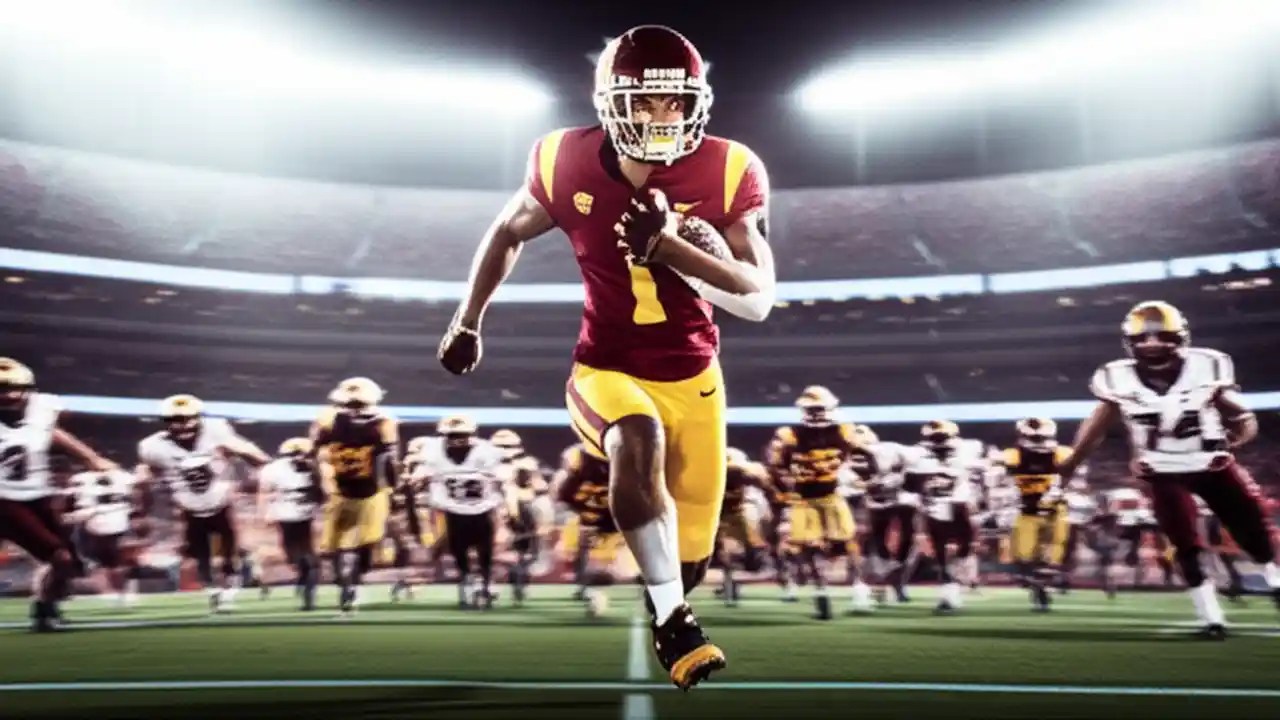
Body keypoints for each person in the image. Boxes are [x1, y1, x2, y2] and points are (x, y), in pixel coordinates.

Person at [437, 25, 773, 689]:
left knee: (691, 554)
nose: (660, 117)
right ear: (610, 102)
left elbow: (758, 300)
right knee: (635, 438)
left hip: (695, 377)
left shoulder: (731, 168)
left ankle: (667, 596)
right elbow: (508, 230)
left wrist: (672, 247)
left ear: (696, 102)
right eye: (643, 104)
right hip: (605, 367)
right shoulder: (565, 160)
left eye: (674, 103)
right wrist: (467, 317)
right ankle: (676, 621)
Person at [1059, 300, 1280, 638]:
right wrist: (1072, 462)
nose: (1153, 345)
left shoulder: (1207, 367)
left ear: (1181, 338)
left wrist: (1241, 433)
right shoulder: (1116, 378)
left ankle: (1274, 581)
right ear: (1129, 344)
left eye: (1163, 337)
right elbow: (1097, 426)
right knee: (1184, 543)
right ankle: (1212, 618)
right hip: (1162, 469)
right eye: (1143, 340)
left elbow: (1239, 414)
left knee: (1252, 525)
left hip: (1212, 463)